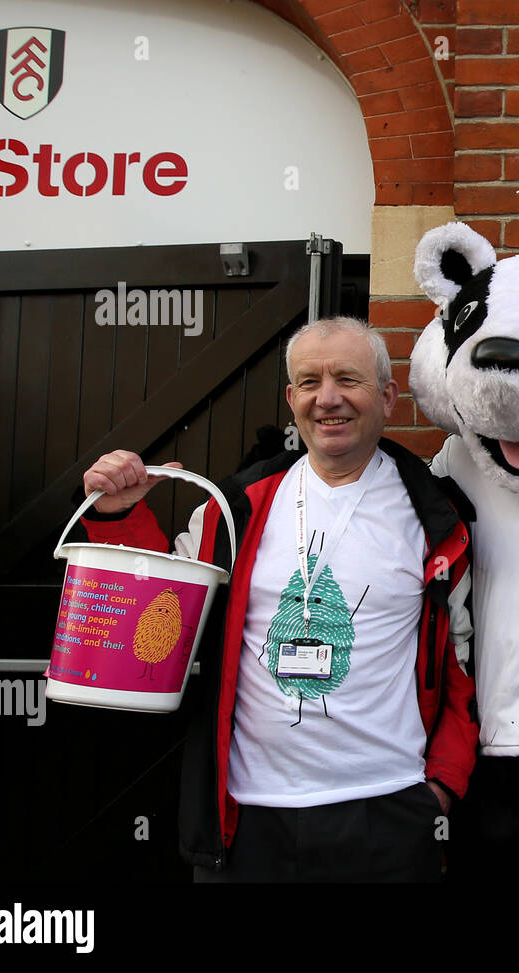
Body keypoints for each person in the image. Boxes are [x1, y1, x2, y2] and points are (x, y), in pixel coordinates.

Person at [77, 316, 476, 881]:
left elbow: (462, 663)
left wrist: (441, 785)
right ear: (291, 399)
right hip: (247, 817)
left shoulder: (436, 517)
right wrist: (117, 516)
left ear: (388, 396)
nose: (328, 398)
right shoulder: (234, 506)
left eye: (348, 379)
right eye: (310, 382)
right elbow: (153, 618)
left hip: (386, 808)